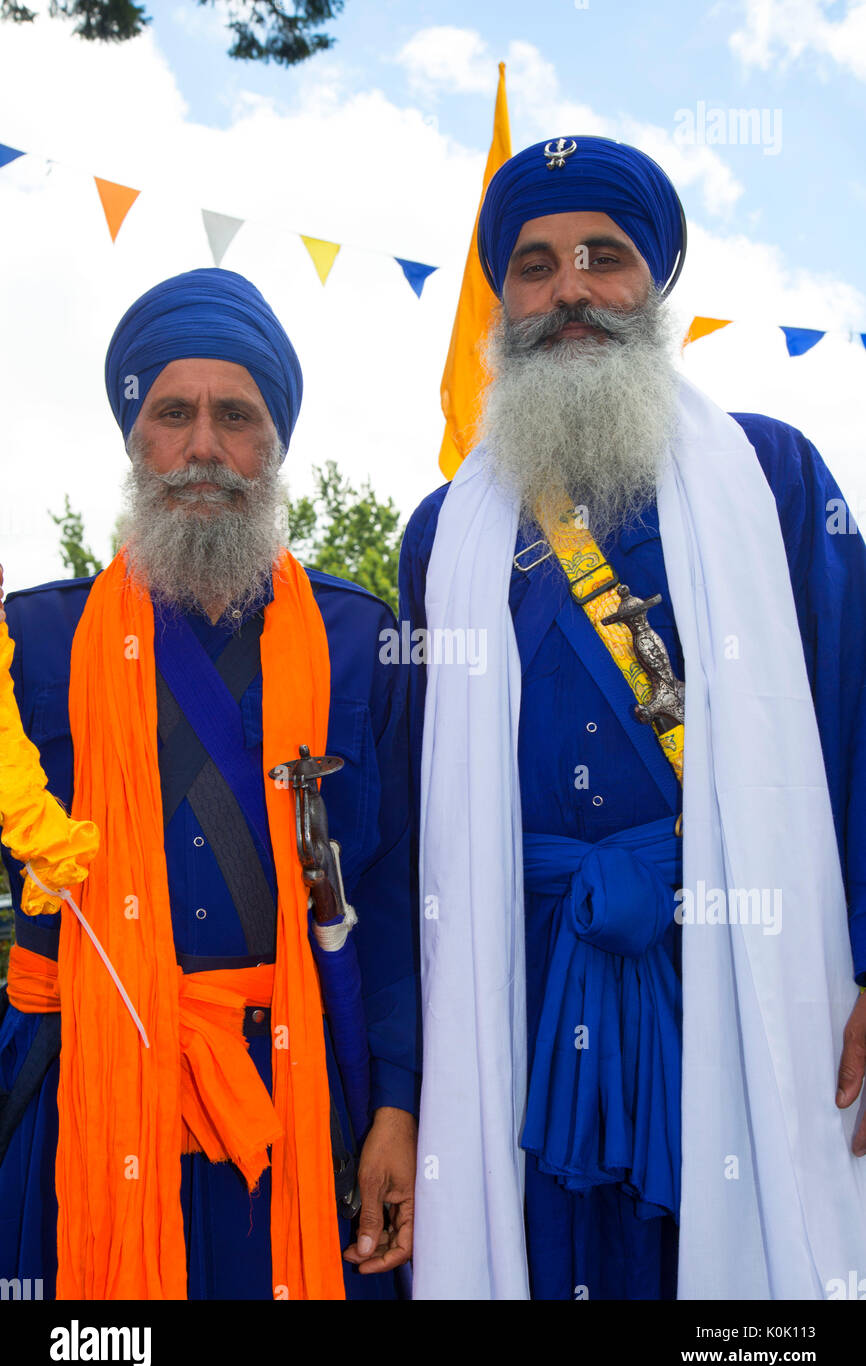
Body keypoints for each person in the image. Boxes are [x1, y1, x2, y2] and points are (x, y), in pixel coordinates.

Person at [400, 135, 866, 1300]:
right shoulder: (437, 536)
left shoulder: (773, 475)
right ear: (501, 299)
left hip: (735, 956)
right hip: (519, 973)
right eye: (534, 265)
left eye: (602, 259)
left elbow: (858, 720)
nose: (568, 290)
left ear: (652, 284)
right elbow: (410, 815)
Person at [0, 267, 419, 1300]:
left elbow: (402, 891)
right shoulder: (33, 638)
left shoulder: (362, 640)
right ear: (132, 435)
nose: (201, 448)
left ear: (274, 443)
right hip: (78, 1085)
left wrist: (399, 1105)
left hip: (300, 1089)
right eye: (171, 413)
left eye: (236, 417)